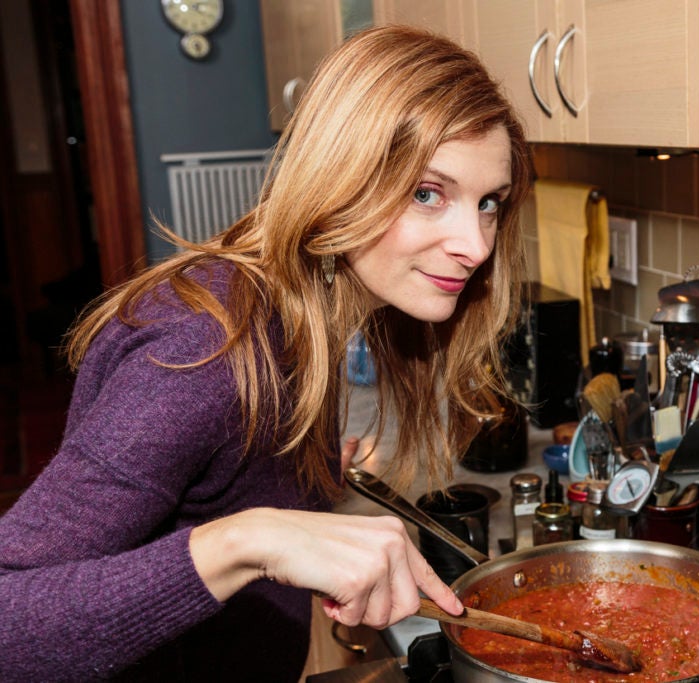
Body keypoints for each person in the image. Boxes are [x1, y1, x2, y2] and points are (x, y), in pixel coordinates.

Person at [0, 25, 532, 682]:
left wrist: (299, 474)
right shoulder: (202, 354)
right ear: (342, 174)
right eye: (428, 193)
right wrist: (248, 541)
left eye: (489, 204)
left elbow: (209, 476)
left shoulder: (314, 306)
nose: (477, 247)